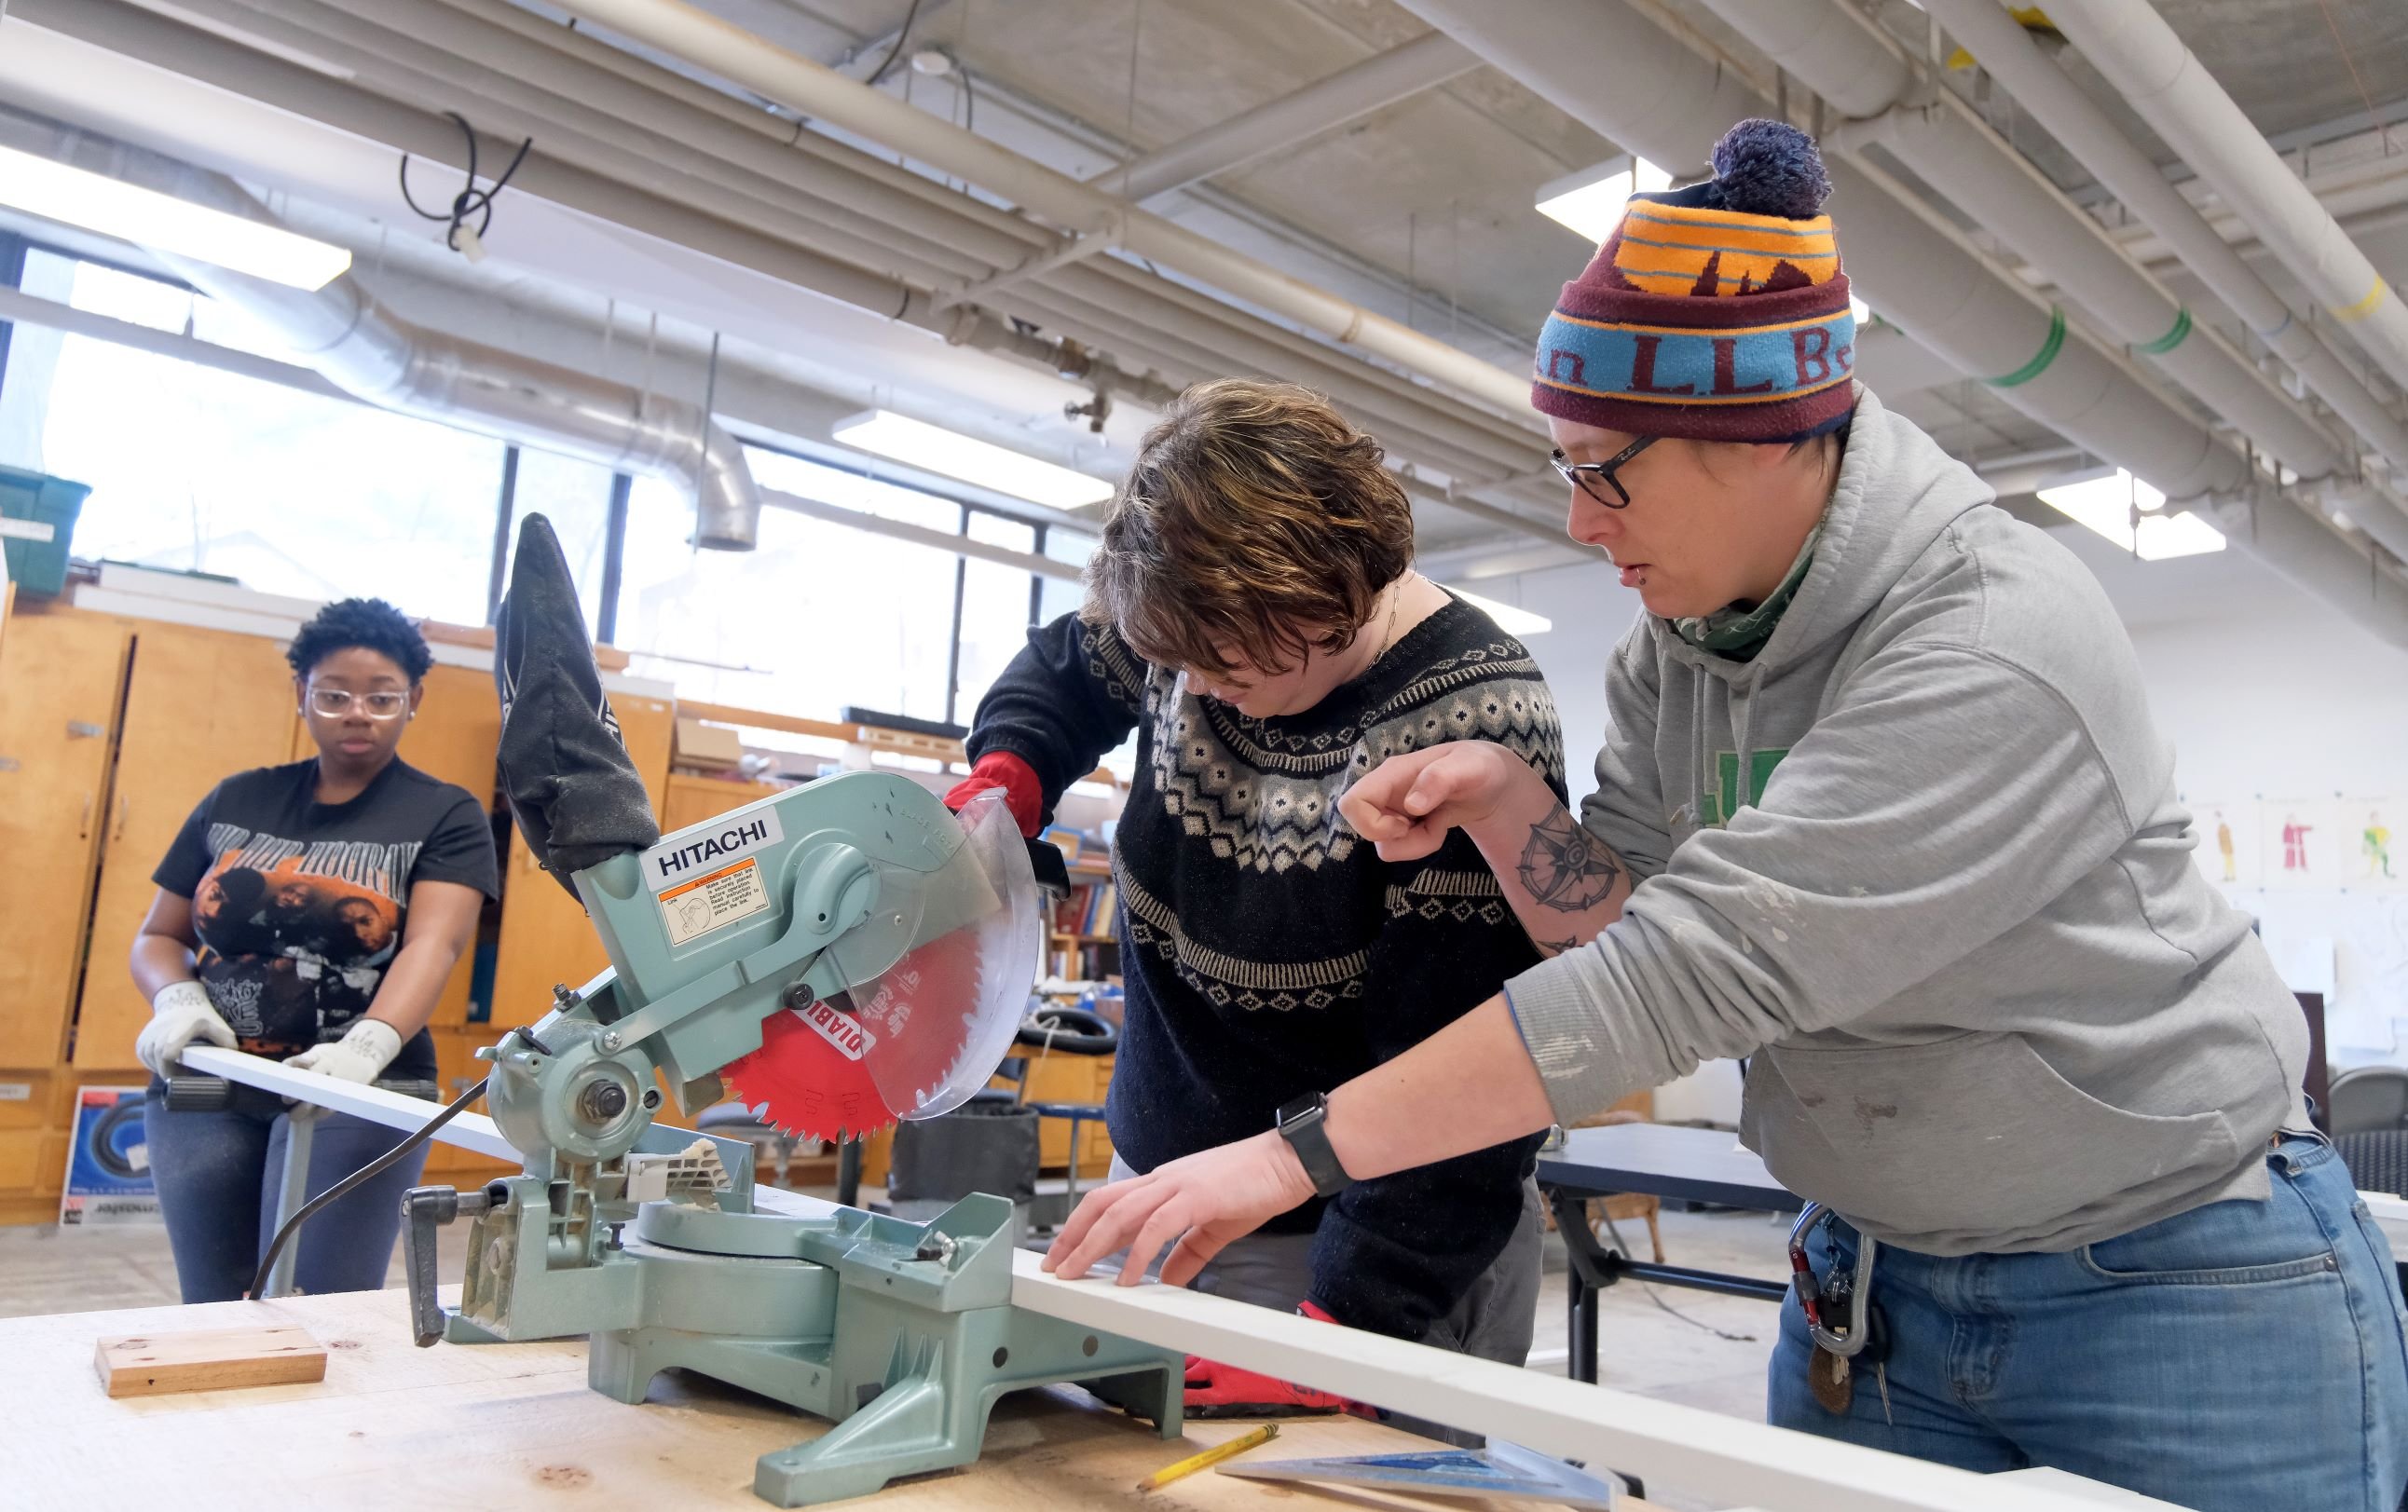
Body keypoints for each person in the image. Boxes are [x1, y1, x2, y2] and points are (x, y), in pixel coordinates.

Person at [1045, 122, 2408, 1511]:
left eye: (1601, 469)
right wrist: (1512, 807)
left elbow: (1684, 977)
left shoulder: (1989, 638)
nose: (1579, 523)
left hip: (2174, 1281)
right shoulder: (1674, 651)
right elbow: (1619, 921)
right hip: (1872, 1282)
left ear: (1760, 436)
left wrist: (1286, 1155)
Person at [951, 377, 1567, 1413]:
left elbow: (1466, 1078)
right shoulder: (1193, 628)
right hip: (1168, 1194)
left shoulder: (1468, 717)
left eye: (1221, 664)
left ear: (1324, 598)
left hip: (1378, 1242)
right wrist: (1011, 771)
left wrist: (1346, 1329)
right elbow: (1065, 666)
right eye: (1169, 661)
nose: (1189, 688)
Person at [130, 597, 499, 1301]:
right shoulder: (238, 798)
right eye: (334, 695)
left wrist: (366, 1047)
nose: (357, 712)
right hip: (213, 1077)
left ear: (413, 700)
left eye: (381, 696)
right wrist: (175, 998)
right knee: (212, 1304)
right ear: (301, 693)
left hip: (362, 1089)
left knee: (315, 1305)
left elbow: (435, 943)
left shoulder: (444, 813)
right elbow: (157, 934)